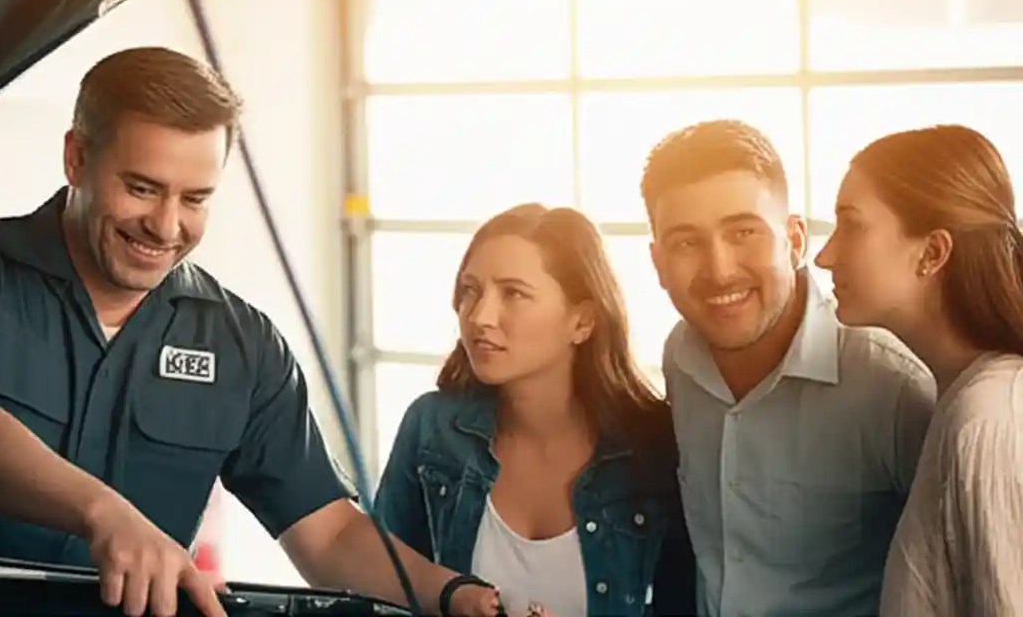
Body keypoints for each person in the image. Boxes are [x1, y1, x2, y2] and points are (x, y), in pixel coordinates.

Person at [0, 46, 501, 617]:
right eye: (141, 188)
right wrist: (104, 514)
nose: (165, 226)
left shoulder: (245, 346)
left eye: (195, 199)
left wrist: (450, 594)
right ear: (76, 157)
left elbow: (328, 535)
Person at [639, 120, 937, 616]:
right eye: (687, 242)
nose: (720, 270)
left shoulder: (891, 384)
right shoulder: (680, 357)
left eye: (744, 232)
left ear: (795, 240)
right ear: (657, 262)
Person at [375, 204, 696, 617]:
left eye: (514, 293)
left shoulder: (656, 447)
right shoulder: (432, 430)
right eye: (470, 290)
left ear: (582, 321)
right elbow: (378, 589)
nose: (480, 316)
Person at [814, 124, 1023, 616]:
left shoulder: (986, 418)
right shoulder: (964, 398)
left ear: (932, 253)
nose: (824, 255)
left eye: (852, 225)